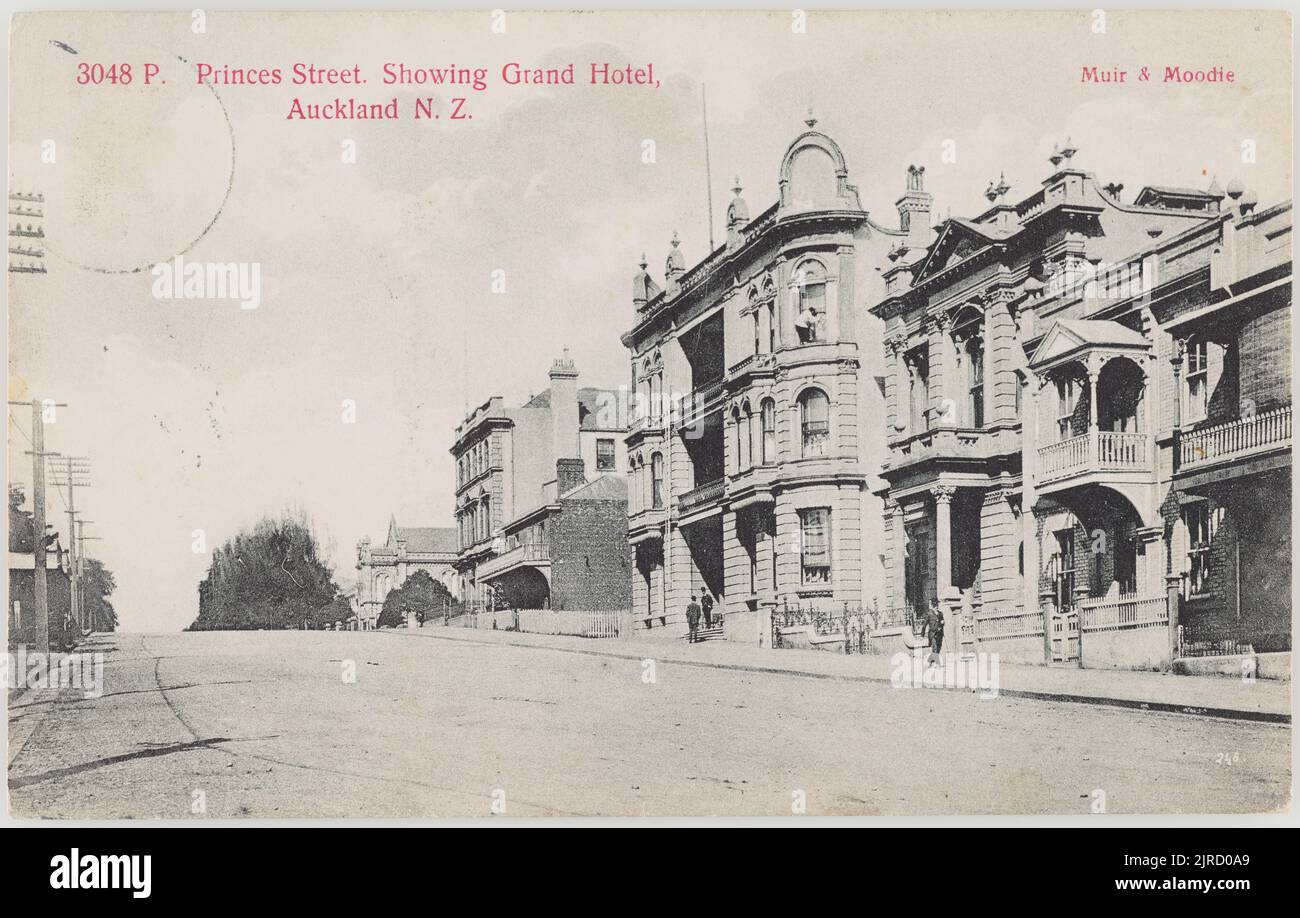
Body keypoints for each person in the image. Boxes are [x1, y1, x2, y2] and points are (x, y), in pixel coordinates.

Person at [924, 599, 945, 666]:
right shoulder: (929, 614)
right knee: (935, 647)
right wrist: (922, 635)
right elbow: (925, 624)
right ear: (933, 606)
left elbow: (942, 622)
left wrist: (942, 623)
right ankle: (937, 663)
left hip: (939, 633)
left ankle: (930, 661)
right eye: (935, 605)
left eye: (937, 605)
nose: (936, 607)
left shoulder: (940, 613)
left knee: (938, 647)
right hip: (932, 633)